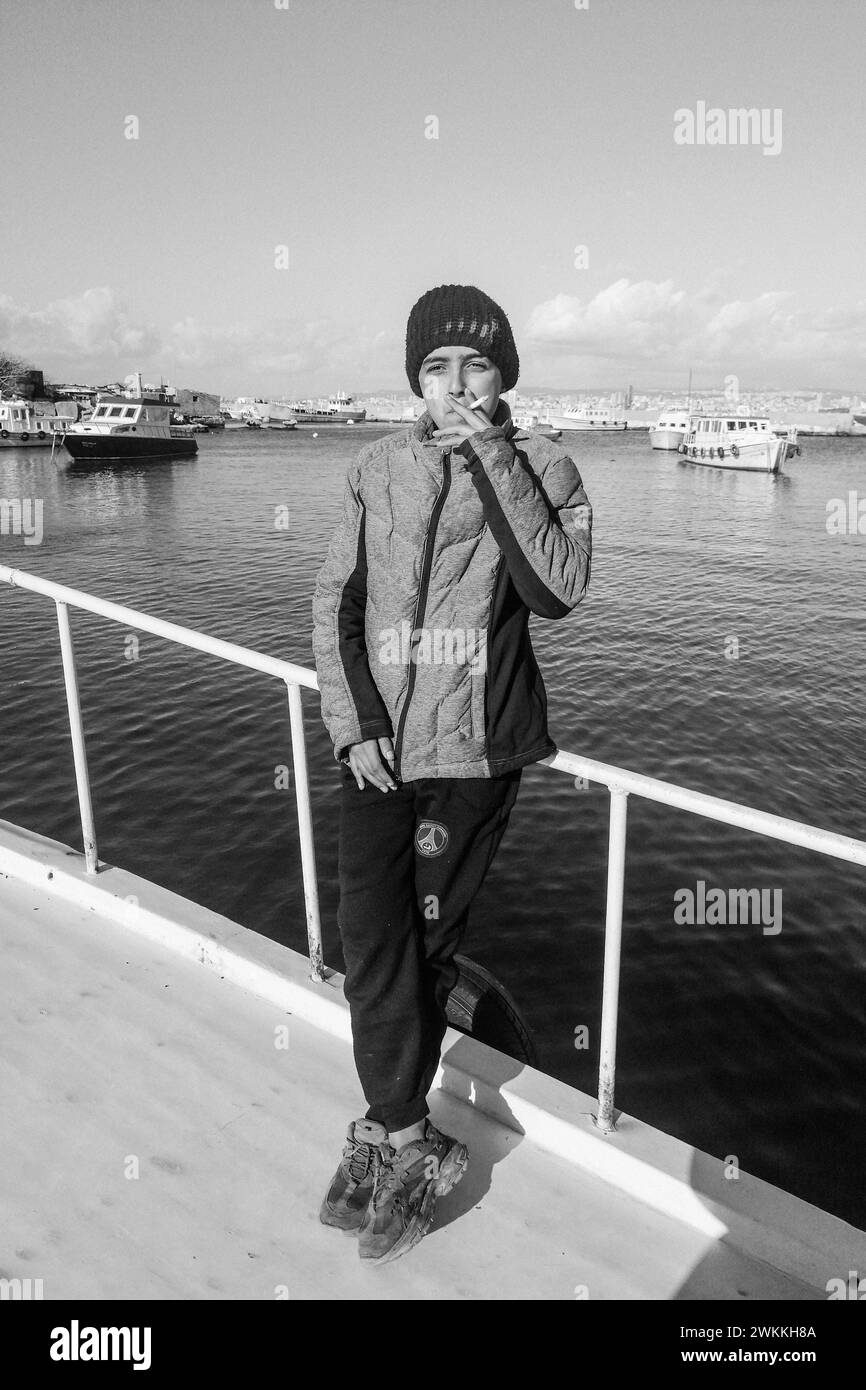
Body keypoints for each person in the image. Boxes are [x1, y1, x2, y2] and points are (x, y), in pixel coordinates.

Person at [311, 283, 592, 1264]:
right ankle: (402, 1130)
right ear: (415, 378)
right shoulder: (373, 465)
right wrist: (353, 726)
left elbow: (554, 589)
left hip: (475, 752)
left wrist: (491, 455)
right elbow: (335, 602)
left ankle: (390, 1134)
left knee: (427, 950)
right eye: (436, 367)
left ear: (503, 373)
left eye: (475, 365)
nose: (455, 383)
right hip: (380, 752)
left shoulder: (546, 464)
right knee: (364, 939)